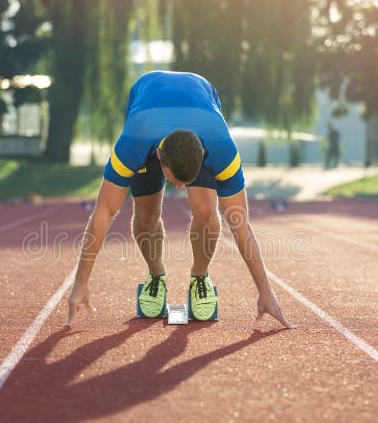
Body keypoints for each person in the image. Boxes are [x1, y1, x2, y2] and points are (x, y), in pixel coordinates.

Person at [66, 70, 294, 329]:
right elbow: (104, 211)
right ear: (159, 158)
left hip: (202, 104)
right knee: (146, 215)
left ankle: (200, 277)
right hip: (147, 104)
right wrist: (80, 283)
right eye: (176, 181)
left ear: (203, 155)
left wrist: (265, 291)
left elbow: (240, 223)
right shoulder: (134, 142)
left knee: (207, 211)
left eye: (187, 181)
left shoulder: (222, 148)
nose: (181, 188)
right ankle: (156, 275)